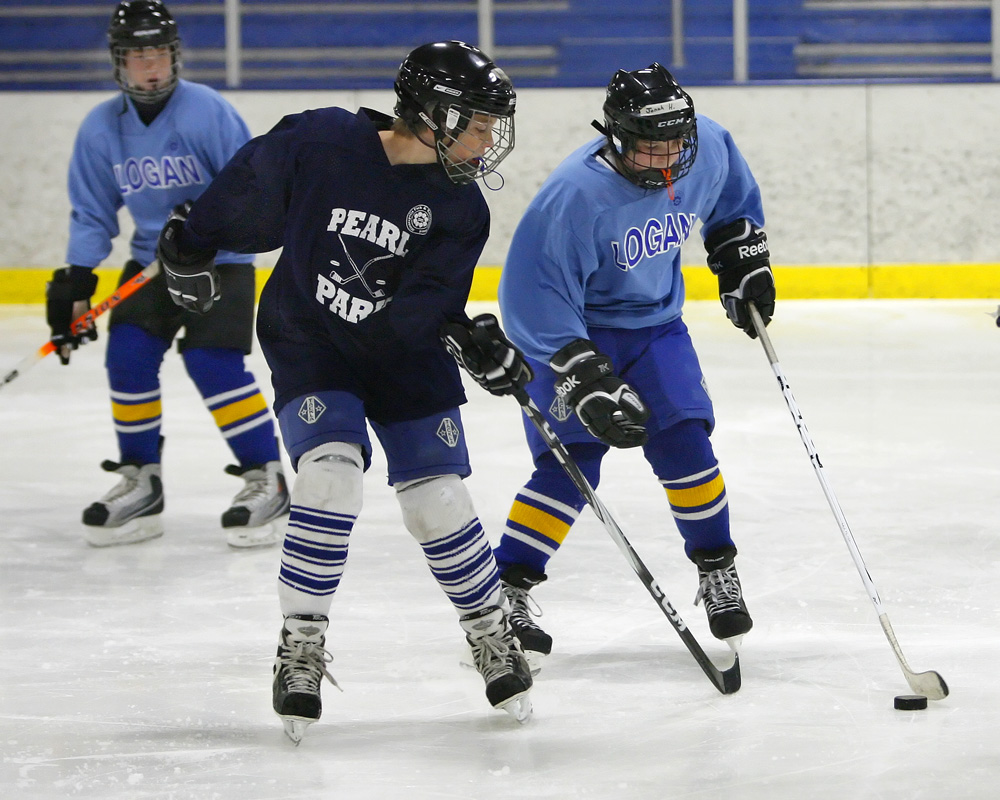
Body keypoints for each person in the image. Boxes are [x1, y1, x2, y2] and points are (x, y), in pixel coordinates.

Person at [154, 40, 534, 741]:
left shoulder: (461, 208)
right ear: (431, 114)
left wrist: (469, 341)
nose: (489, 140)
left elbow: (427, 308)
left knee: (437, 500)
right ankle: (300, 642)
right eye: (478, 122)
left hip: (400, 354)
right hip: (311, 340)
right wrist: (194, 237)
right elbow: (248, 185)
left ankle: (489, 630)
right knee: (330, 477)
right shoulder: (325, 140)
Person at [491, 63, 775, 664]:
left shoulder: (707, 148)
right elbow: (530, 294)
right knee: (573, 468)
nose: (668, 159)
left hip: (656, 329)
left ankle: (717, 569)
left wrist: (740, 254)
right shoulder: (574, 195)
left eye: (677, 142)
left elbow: (730, 202)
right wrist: (581, 372)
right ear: (615, 137)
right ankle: (504, 593)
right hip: (573, 335)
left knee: (688, 447)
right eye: (651, 147)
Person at [45, 0, 289, 549]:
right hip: (149, 262)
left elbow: (252, 183)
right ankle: (142, 480)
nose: (150, 66)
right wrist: (76, 280)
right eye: (137, 56)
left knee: (212, 363)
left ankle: (266, 478)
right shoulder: (101, 128)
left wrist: (207, 222)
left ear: (174, 57)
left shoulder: (207, 111)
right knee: (127, 356)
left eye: (158, 53)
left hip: (219, 260)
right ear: (119, 63)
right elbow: (91, 211)